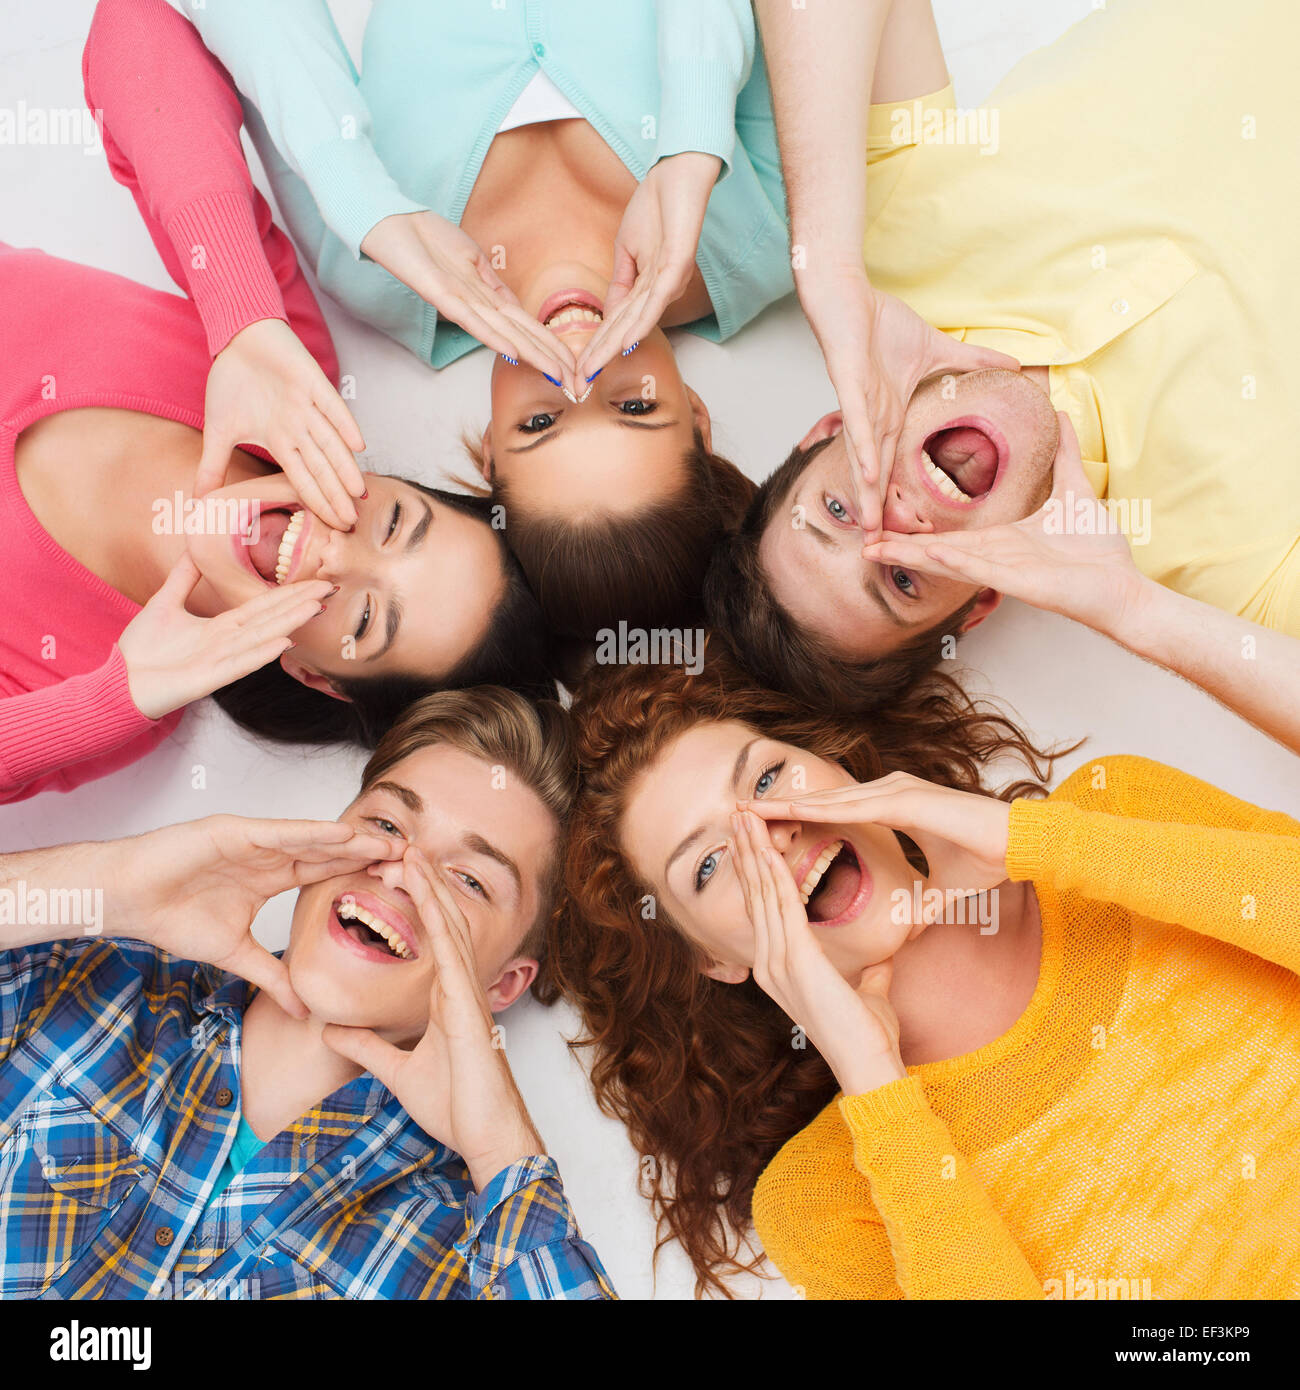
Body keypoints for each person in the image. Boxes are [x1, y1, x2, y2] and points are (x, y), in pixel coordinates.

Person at [547, 642, 1300, 1297]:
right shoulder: (828, 1196)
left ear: (835, 763)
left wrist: (1036, 842)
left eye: (768, 780)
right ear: (714, 959)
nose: (767, 840)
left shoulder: (1113, 815)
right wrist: (880, 1090)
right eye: (710, 864)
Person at [0, 4, 551, 803]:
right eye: (391, 524)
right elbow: (140, 22)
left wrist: (111, 699)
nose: (334, 555)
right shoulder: (285, 374)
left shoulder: (98, 695)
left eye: (364, 621)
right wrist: (242, 317)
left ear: (315, 677)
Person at [708, 0, 1300, 708]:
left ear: (831, 431)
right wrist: (1131, 610)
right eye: (902, 578)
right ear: (982, 600)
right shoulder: (1233, 574)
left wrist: (829, 264)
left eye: (840, 509)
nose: (896, 523)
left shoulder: (889, 232)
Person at [176, 0, 791, 638]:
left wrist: (359, 197)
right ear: (696, 415)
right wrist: (695, 133)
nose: (580, 369)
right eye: (634, 409)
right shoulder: (766, 237)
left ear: (492, 454)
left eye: (541, 421)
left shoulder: (374, 269)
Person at [0, 686, 614, 1300]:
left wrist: (502, 1149)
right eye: (386, 824)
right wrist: (116, 883)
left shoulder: (457, 1255)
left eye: (468, 880)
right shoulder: (89, 987)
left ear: (501, 984)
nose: (401, 873)